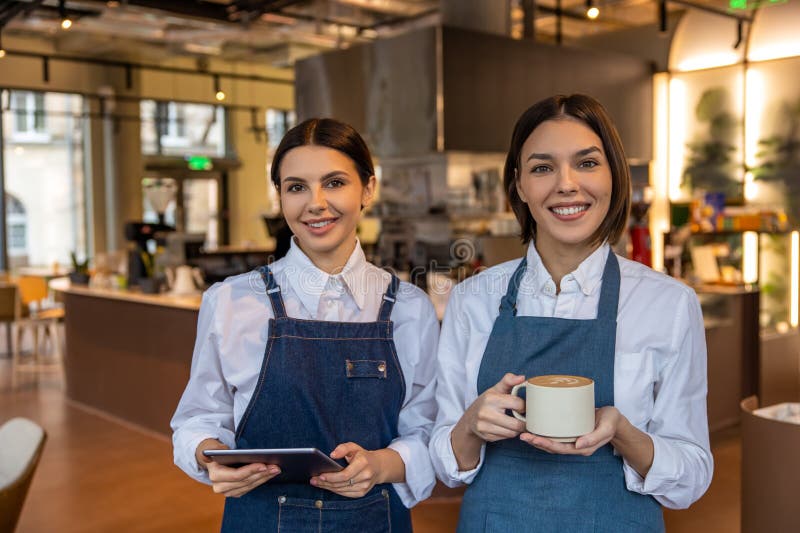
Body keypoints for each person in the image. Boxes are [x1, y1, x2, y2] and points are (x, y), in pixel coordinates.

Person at [429, 94, 713, 532]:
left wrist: (622, 432)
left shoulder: (669, 304)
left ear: (615, 177)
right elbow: (448, 467)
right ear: (520, 185)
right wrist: (471, 425)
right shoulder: (473, 300)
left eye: (586, 163)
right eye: (543, 167)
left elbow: (691, 477)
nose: (566, 184)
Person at [171, 118, 439, 532]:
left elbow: (427, 429)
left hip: (374, 519)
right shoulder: (230, 301)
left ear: (368, 188)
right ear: (279, 196)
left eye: (334, 183)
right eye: (296, 187)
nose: (315, 203)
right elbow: (199, 418)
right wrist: (208, 454)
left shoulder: (409, 307)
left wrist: (382, 464)